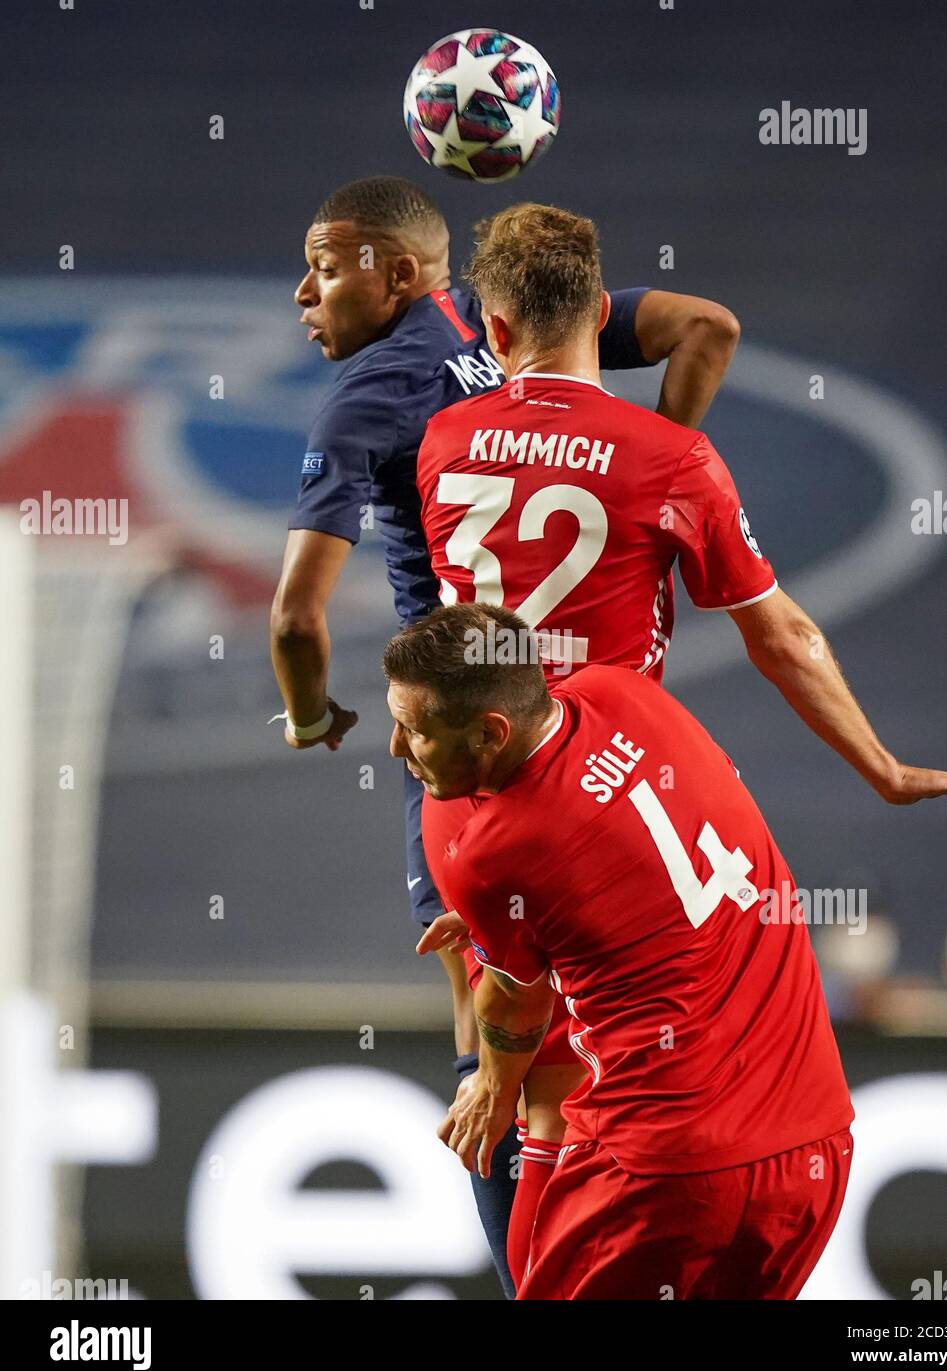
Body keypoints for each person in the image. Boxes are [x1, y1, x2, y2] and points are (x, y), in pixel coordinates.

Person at [413, 201, 947, 1286]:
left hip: (469, 780)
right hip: (608, 775)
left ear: (491, 332)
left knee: (515, 1064)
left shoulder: (443, 440)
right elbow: (780, 633)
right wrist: (878, 766)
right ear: (601, 310)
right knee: (623, 1053)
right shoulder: (668, 460)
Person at [268, 174, 742, 1295]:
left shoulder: (364, 399)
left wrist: (308, 714)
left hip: (475, 742)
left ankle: (539, 1270)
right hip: (606, 728)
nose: (301, 292)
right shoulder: (482, 325)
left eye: (324, 268)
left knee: (501, 1051)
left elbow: (294, 615)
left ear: (396, 276)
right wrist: (651, 460)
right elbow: (702, 324)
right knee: (613, 1016)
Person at [386, 602, 859, 1299]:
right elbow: (635, 849)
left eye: (415, 730)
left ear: (491, 732)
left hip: (662, 1177)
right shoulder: (623, 692)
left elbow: (516, 1007)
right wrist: (537, 916)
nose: (397, 748)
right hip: (811, 1149)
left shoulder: (490, 852)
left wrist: (490, 1082)